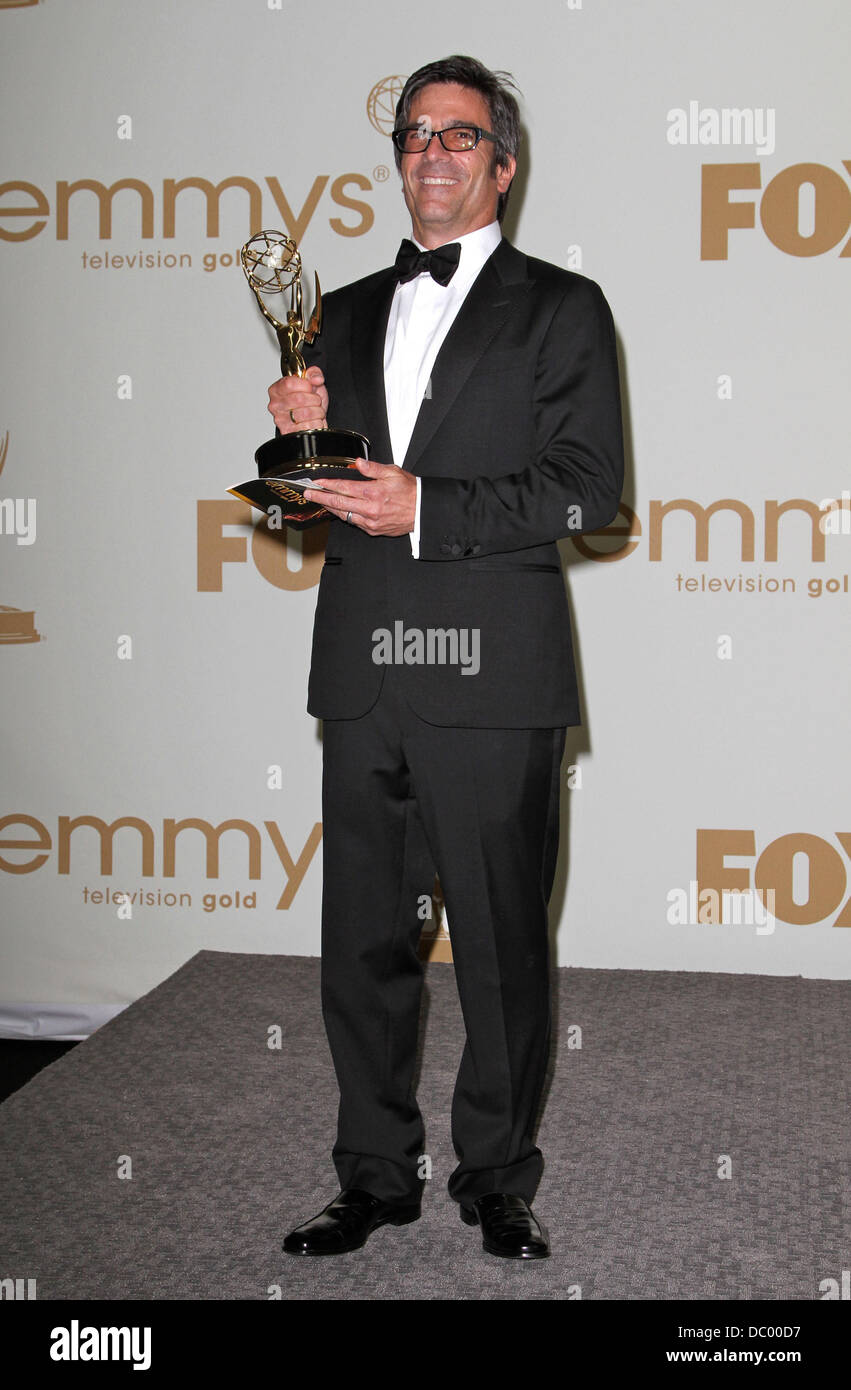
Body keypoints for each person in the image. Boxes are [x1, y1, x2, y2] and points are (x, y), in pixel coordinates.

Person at [266, 54, 624, 1260]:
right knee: (362, 943)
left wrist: (422, 506)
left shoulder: (563, 307)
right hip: (363, 672)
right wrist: (293, 461)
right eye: (415, 132)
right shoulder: (341, 308)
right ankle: (370, 1173)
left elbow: (588, 490)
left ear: (503, 165)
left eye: (459, 136)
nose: (431, 152)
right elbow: (316, 502)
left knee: (499, 946)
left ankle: (495, 1175)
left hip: (494, 673)